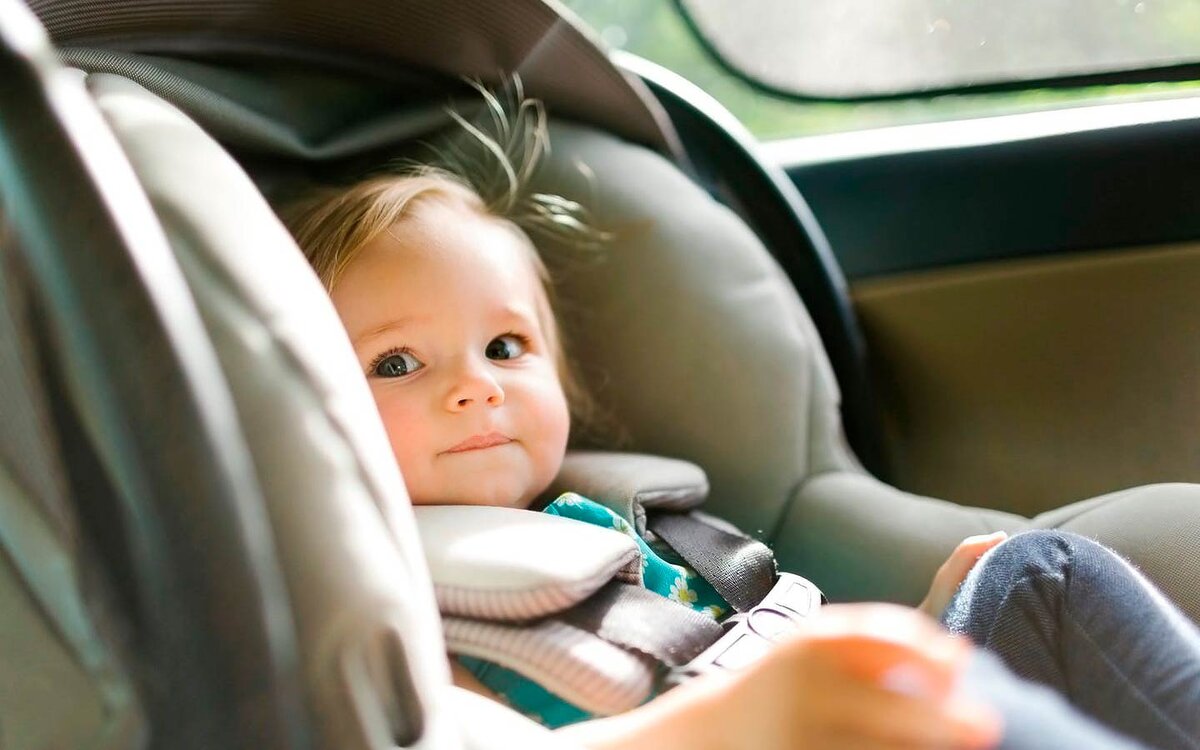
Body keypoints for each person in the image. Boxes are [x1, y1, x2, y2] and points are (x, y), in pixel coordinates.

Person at [283, 90, 1200, 750]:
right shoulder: (375, 603)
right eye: (396, 363)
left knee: (1036, 574)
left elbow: (754, 645)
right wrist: (720, 726)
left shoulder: (625, 528)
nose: (476, 388)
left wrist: (908, 631)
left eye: (506, 348)